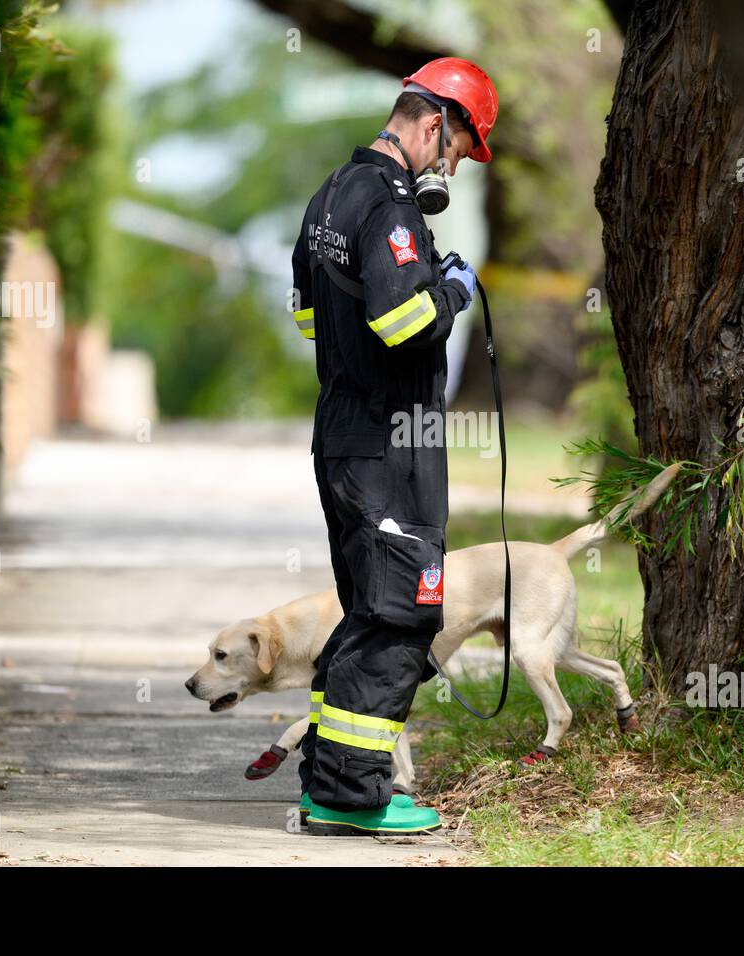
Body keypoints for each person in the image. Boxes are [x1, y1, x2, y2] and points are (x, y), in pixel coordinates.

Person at [286, 57, 499, 836]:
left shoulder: (328, 197)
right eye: (457, 150)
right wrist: (451, 289)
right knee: (403, 615)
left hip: (343, 437)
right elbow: (401, 322)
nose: (453, 167)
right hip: (390, 446)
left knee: (365, 612)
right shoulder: (392, 206)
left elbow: (311, 319)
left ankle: (327, 782)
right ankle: (352, 797)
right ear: (435, 122)